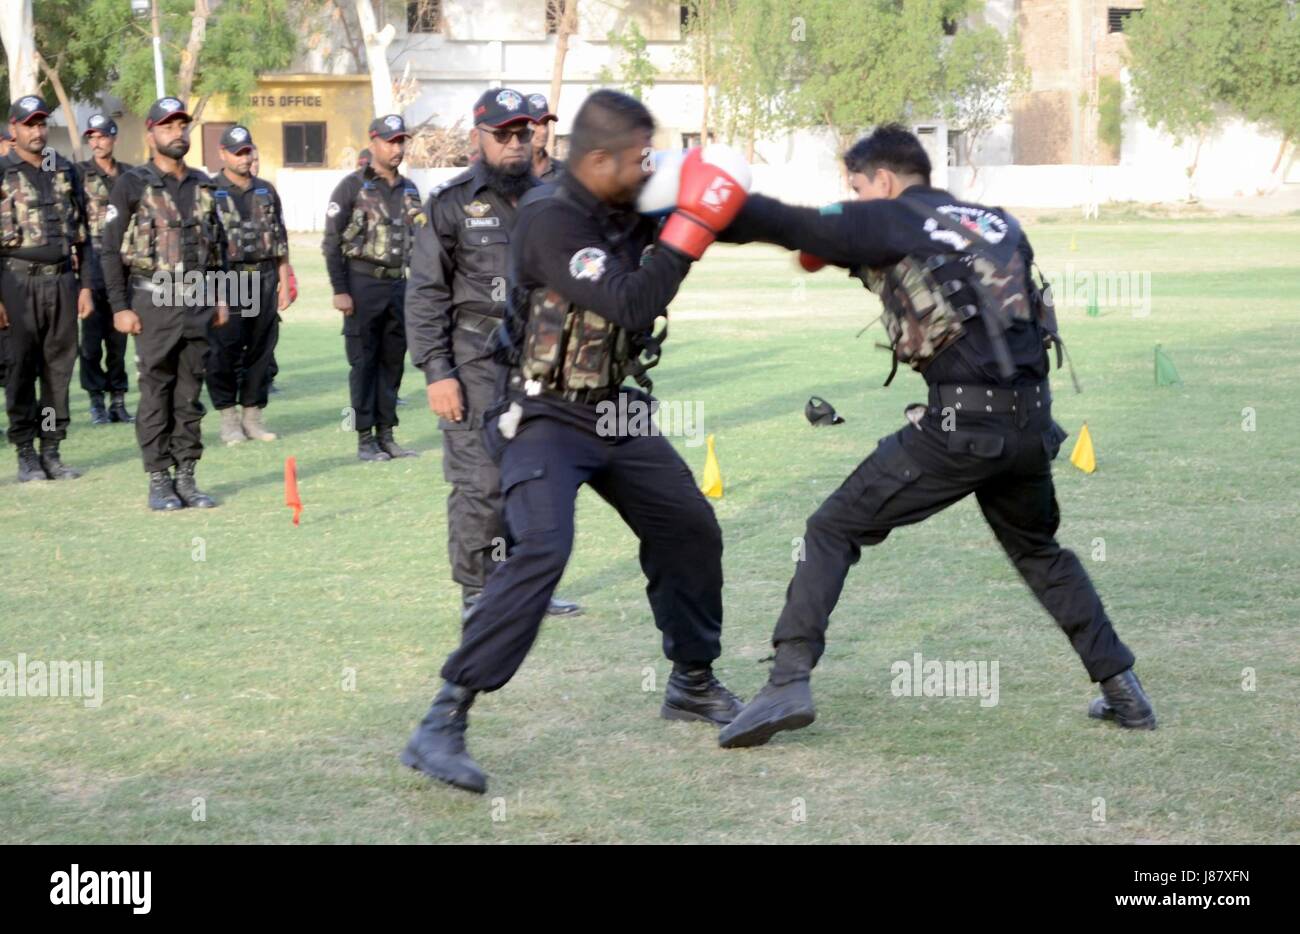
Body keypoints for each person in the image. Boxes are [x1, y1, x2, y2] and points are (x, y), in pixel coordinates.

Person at [715, 124, 1155, 749]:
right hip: (1030, 423)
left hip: (962, 430)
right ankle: (1123, 691)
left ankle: (788, 680)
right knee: (1039, 551)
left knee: (832, 527)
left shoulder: (894, 217)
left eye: (858, 186)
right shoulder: (996, 221)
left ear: (886, 181)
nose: (858, 197)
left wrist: (703, 209)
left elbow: (791, 226)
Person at [399, 90, 751, 794]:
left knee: (689, 526)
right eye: (637, 156)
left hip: (615, 408)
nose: (648, 165)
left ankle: (691, 679)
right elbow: (629, 300)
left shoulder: (626, 197)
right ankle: (442, 720)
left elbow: (724, 210)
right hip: (542, 414)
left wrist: (829, 229)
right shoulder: (548, 216)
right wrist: (686, 233)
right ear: (598, 159)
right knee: (543, 548)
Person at [407, 89, 581, 623]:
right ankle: (479, 595)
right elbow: (425, 294)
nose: (514, 144)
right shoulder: (450, 203)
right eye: (502, 134)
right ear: (477, 139)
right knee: (480, 483)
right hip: (473, 363)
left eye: (522, 134)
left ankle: (529, 588)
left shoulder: (555, 198)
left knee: (536, 480)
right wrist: (437, 372)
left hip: (541, 365)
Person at [99, 96, 229, 510]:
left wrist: (223, 297)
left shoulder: (204, 183)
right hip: (153, 301)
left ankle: (187, 476)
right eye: (169, 126)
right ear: (152, 133)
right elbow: (109, 250)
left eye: (182, 126)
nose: (178, 133)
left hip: (198, 301)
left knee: (189, 394)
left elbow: (220, 250)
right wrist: (120, 307)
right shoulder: (131, 184)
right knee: (157, 390)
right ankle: (158, 479)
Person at [0, 95, 93, 482]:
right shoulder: (2, 171)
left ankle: (51, 448)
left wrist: (86, 286)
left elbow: (85, 235)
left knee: (58, 370)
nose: (37, 131)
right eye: (29, 124)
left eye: (41, 124)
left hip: (62, 283)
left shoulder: (64, 170)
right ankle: (25, 452)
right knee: (20, 368)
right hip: (17, 282)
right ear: (13, 128)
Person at [321, 114, 421, 461]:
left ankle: (387, 434)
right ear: (373, 142)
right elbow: (331, 242)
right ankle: (365, 439)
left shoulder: (409, 189)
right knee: (364, 363)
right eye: (391, 141)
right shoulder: (351, 187)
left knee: (392, 363)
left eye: (401, 141)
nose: (397, 148)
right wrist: (340, 289)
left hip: (398, 285)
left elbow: (420, 240)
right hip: (362, 283)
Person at [206, 125, 294, 444]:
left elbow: (281, 240)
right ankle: (228, 418)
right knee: (224, 351)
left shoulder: (266, 191)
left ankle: (253, 416)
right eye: (238, 152)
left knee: (261, 350)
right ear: (223, 154)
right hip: (228, 278)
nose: (245, 157)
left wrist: (284, 282)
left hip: (264, 276)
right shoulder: (208, 190)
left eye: (248, 151)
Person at [77, 113, 134, 426]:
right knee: (90, 343)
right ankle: (96, 402)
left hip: (122, 267)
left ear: (113, 138)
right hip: (91, 264)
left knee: (118, 341)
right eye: (92, 137)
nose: (97, 142)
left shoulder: (128, 176)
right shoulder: (78, 174)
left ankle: (118, 401)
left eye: (102, 136)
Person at [526, 93, 564, 181]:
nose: (543, 131)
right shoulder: (511, 173)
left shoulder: (563, 172)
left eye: (545, 124)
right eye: (535, 124)